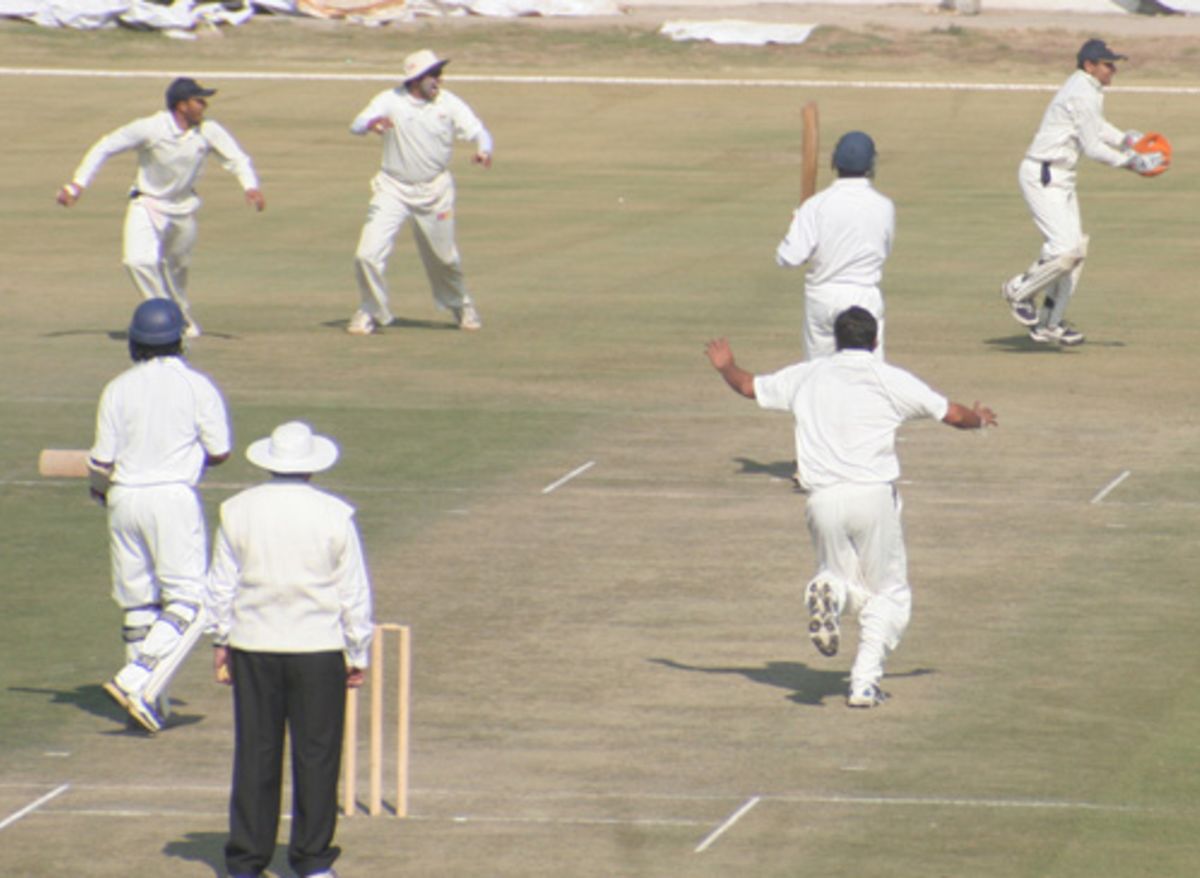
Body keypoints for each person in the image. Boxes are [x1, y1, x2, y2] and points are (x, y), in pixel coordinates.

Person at [705, 307, 997, 708]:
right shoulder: (888, 377)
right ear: (874, 341)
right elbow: (952, 414)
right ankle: (862, 683)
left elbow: (747, 387)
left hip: (821, 501)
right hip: (873, 497)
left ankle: (833, 594)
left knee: (847, 582)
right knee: (890, 595)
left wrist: (726, 365)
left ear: (835, 340)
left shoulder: (808, 375)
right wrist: (979, 420)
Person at [208, 421, 375, 878]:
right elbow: (353, 591)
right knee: (317, 755)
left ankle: (246, 860)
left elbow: (222, 584)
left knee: (256, 752)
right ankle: (313, 860)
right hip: (317, 648)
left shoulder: (237, 510)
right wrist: (357, 651)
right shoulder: (334, 513)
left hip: (254, 644)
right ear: (311, 468)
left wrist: (221, 639)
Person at [93, 298, 232, 733]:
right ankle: (136, 678)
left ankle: (147, 701)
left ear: (135, 343)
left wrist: (102, 496)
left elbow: (100, 463)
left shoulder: (117, 387)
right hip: (171, 497)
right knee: (192, 602)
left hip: (123, 499)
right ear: (179, 342)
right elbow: (221, 450)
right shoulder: (197, 386)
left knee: (138, 603)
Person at [57, 77, 266, 339]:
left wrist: (250, 186)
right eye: (198, 100)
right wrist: (77, 185)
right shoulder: (150, 128)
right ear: (181, 105)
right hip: (147, 202)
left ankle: (181, 313)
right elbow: (105, 146)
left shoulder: (209, 130)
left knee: (177, 267)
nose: (204, 105)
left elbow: (237, 158)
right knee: (137, 261)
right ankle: (168, 316)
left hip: (183, 207)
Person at [1001, 39, 1166, 346]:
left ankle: (1050, 322)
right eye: (1107, 64)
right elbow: (1091, 147)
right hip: (1043, 173)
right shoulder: (1082, 92)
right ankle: (1018, 290)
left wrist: (1127, 139)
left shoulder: (1087, 89)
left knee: (1076, 249)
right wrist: (1131, 162)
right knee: (1064, 250)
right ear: (1090, 66)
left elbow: (1096, 126)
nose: (1113, 70)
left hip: (1062, 176)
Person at [347, 48, 493, 335]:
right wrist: (372, 123)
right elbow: (356, 124)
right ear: (416, 78)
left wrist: (483, 149)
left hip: (435, 190)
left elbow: (478, 131)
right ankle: (370, 310)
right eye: (433, 74)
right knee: (366, 254)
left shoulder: (448, 103)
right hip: (393, 188)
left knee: (444, 258)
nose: (439, 79)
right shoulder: (389, 100)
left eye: (439, 73)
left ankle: (461, 305)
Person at [776, 131, 895, 360]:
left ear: (834, 162)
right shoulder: (885, 206)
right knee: (868, 377)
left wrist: (797, 225)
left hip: (823, 298)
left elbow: (789, 257)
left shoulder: (815, 206)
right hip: (865, 297)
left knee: (820, 376)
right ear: (871, 164)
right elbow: (883, 251)